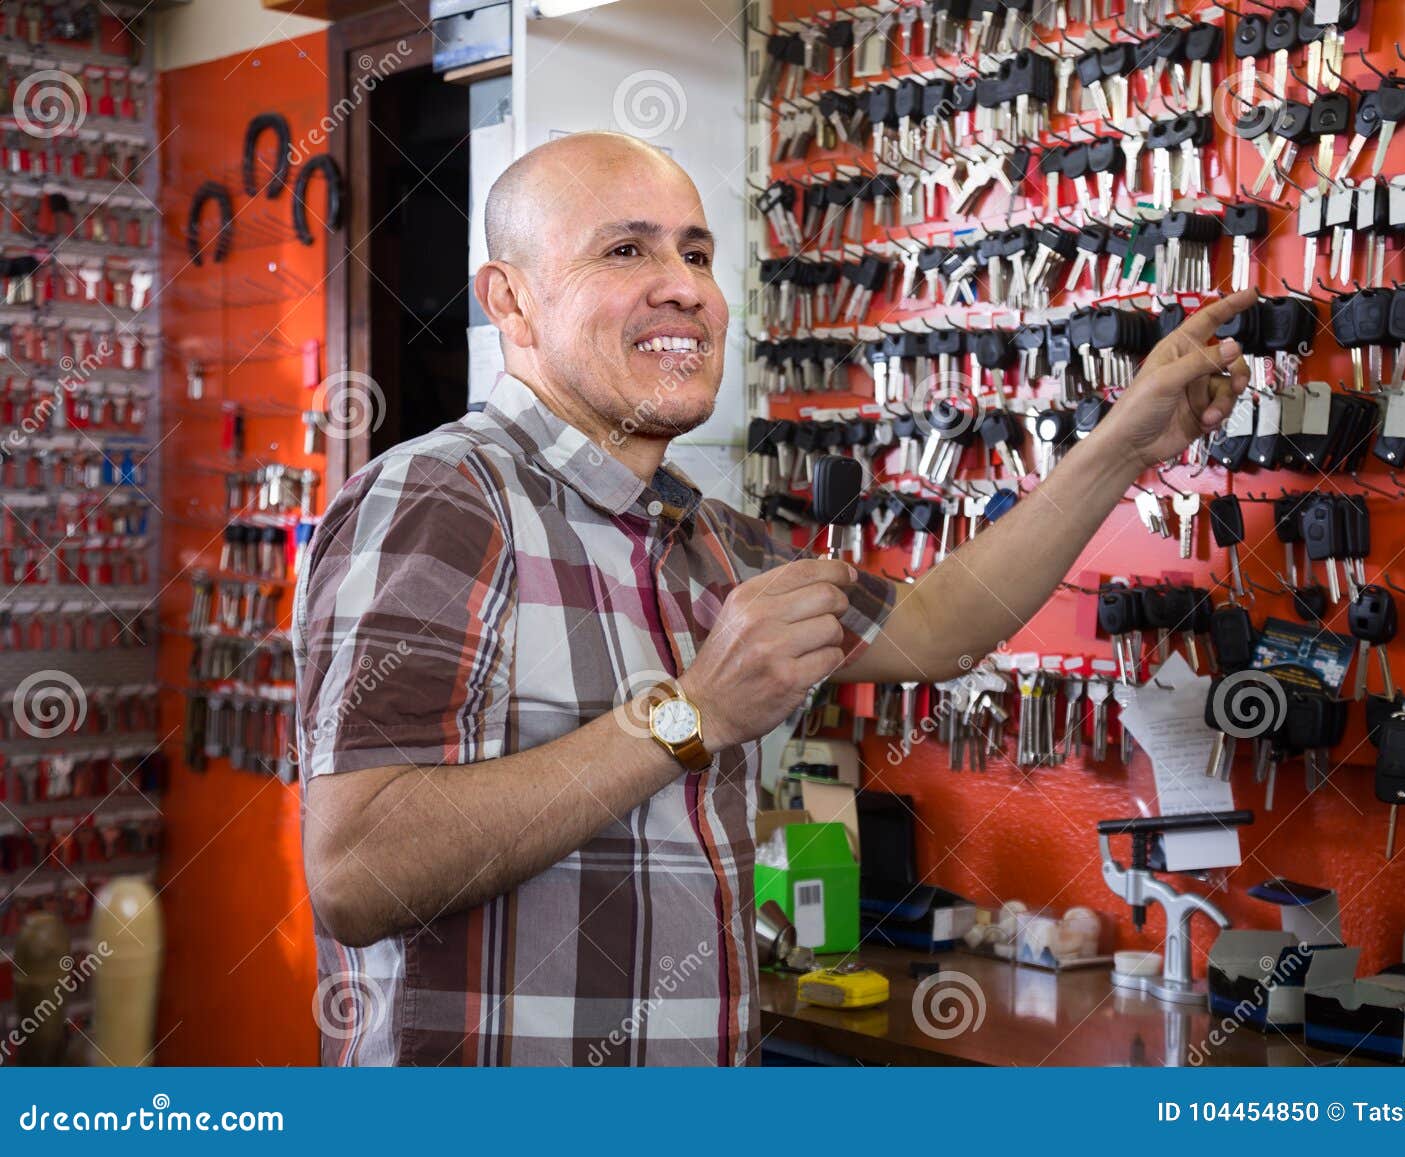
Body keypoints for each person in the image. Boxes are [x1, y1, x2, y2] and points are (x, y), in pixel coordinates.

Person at [292, 130, 1254, 1066]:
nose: (685, 286)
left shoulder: (705, 537)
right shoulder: (442, 498)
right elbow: (357, 868)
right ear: (511, 299)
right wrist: (693, 715)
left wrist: (1123, 445)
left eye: (696, 252)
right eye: (626, 250)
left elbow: (936, 630)